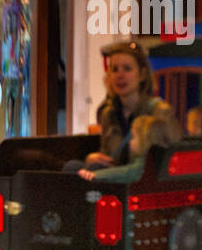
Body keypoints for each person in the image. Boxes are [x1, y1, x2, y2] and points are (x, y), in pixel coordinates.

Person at [68, 40, 177, 172]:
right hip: (115, 176)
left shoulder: (159, 111)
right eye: (114, 69)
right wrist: (95, 158)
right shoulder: (108, 113)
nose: (120, 75)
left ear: (142, 74)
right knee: (73, 166)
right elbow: (108, 155)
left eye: (127, 69)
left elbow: (167, 161)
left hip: (141, 180)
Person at [77, 114, 181, 184]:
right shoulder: (158, 157)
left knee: (74, 167)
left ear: (145, 140)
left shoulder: (146, 161)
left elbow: (128, 172)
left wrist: (95, 175)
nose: (130, 141)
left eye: (134, 137)